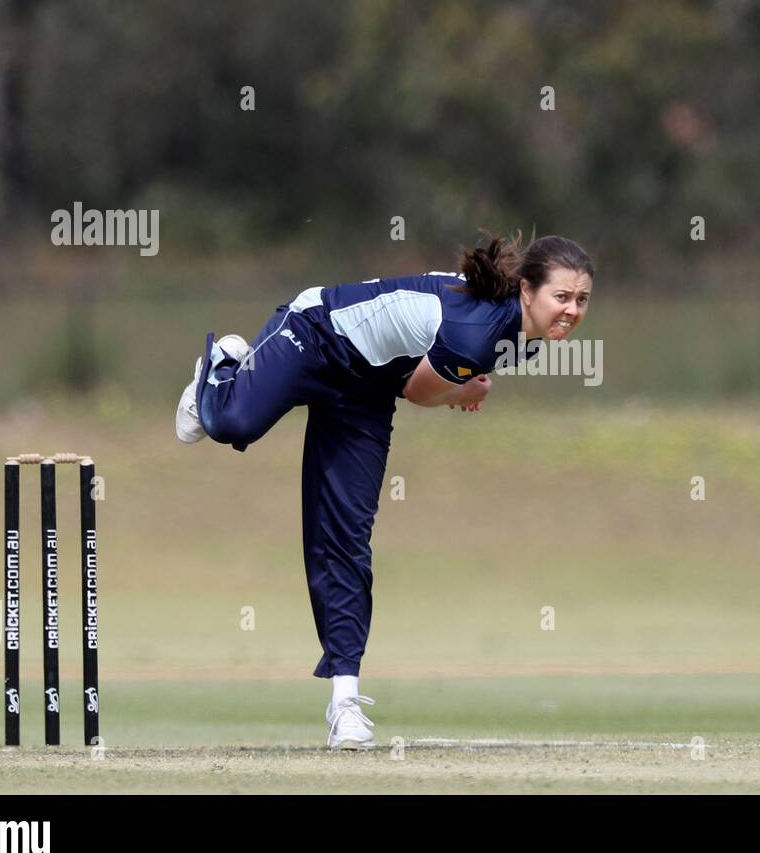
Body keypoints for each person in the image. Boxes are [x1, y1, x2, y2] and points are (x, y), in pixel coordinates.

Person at [175, 233, 594, 748]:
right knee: (231, 424)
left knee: (346, 539)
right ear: (526, 289)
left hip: (368, 388)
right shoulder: (477, 329)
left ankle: (345, 704)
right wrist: (459, 389)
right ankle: (221, 366)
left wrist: (464, 383)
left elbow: (425, 372)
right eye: (562, 297)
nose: (572, 311)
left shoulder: (524, 339)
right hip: (317, 333)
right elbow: (421, 391)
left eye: (582, 300)